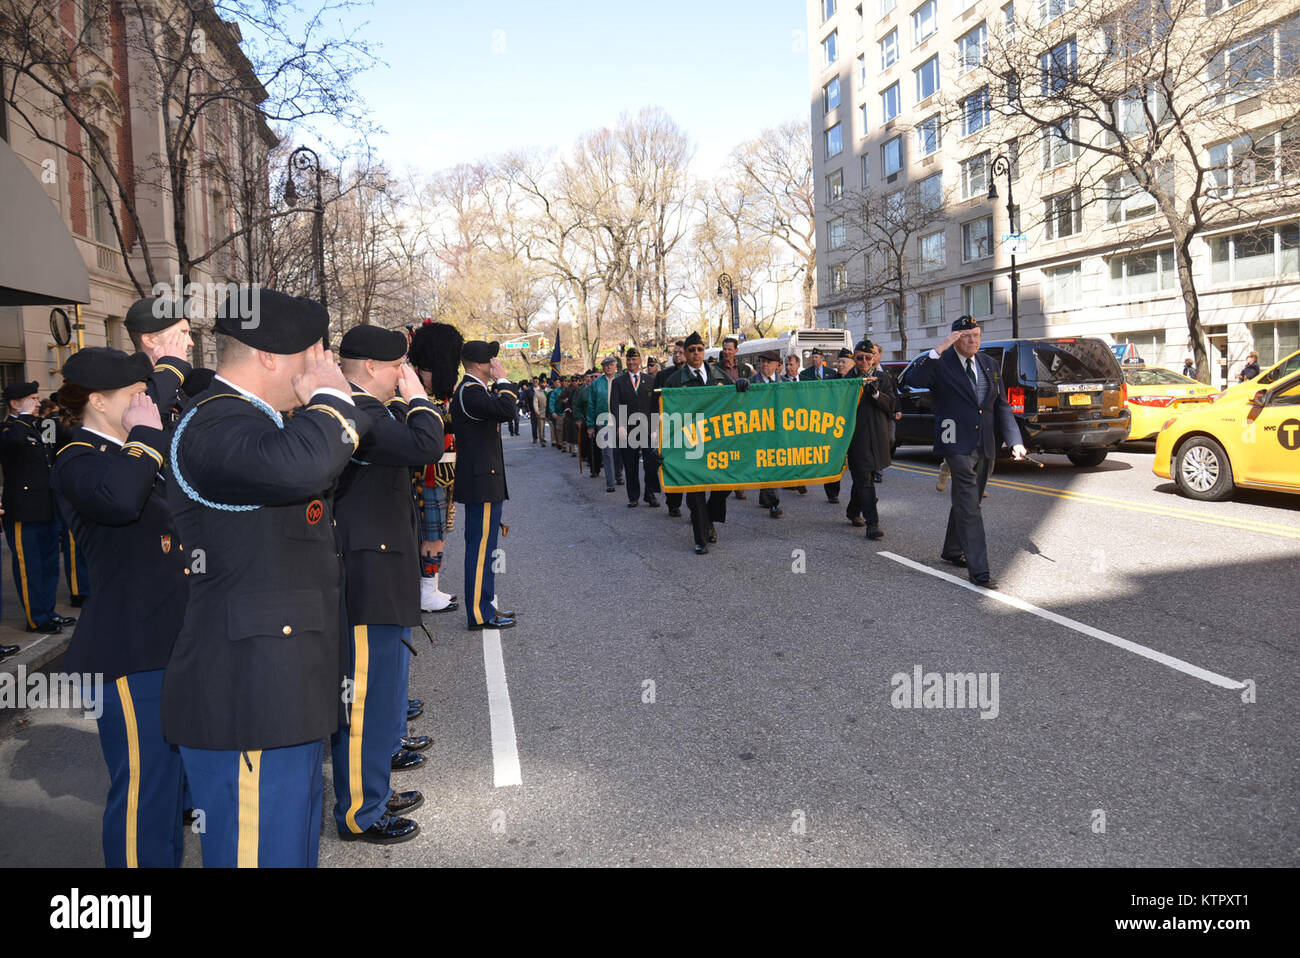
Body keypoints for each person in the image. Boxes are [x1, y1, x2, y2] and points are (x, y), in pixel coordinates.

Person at [162, 289, 372, 867]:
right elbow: (302, 465)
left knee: (289, 853)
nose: (322, 366)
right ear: (268, 356)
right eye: (314, 353)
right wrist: (331, 399)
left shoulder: (261, 423)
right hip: (247, 699)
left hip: (281, 695)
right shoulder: (212, 424)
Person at [49, 347, 189, 867]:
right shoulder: (77, 458)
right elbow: (118, 502)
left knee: (167, 786)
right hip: (127, 649)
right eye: (134, 395)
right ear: (97, 401)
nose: (145, 402)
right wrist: (146, 438)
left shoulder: (135, 449)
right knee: (143, 791)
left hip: (167, 637)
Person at [330, 324, 444, 845]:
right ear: (374, 368)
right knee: (363, 703)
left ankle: (371, 789)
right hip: (368, 573)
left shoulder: (369, 411)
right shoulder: (357, 411)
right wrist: (418, 398)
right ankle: (359, 810)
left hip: (385, 567)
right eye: (398, 365)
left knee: (380, 699)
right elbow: (425, 444)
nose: (405, 375)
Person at [909, 316, 1027, 589]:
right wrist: (938, 349)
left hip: (985, 442)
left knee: (970, 500)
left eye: (976, 335)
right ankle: (980, 570)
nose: (972, 340)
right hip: (955, 441)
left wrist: (1014, 440)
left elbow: (1001, 405)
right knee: (969, 504)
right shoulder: (941, 363)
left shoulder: (989, 364)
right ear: (954, 339)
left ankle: (952, 548)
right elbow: (913, 379)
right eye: (966, 336)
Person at [451, 341, 519, 630]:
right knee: (480, 550)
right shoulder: (470, 391)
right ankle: (480, 614)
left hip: (485, 480)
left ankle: (486, 606)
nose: (495, 362)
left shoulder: (473, 390)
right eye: (491, 359)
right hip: (481, 481)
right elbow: (507, 410)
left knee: (487, 549)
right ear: (480, 364)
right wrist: (504, 379)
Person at [1, 381, 76, 633]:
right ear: (14, 403)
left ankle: (49, 611)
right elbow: (13, 443)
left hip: (47, 507)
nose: (37, 403)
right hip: (24, 511)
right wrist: (23, 416)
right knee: (30, 568)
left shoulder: (41, 427)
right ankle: (36, 619)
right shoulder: (9, 429)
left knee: (49, 565)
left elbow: (59, 444)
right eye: (32, 399)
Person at [408, 320, 461, 616]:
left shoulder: (442, 391)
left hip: (446, 472)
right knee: (431, 534)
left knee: (441, 530)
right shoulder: (412, 389)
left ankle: (432, 585)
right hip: (425, 473)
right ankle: (425, 591)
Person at [664, 332, 732, 554]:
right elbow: (666, 414)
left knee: (725, 486)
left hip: (718, 441)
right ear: (684, 353)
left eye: (699, 349)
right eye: (691, 350)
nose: (695, 353)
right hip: (689, 443)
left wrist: (741, 385)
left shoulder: (719, 375)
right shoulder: (675, 381)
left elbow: (736, 400)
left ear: (704, 352)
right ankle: (701, 538)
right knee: (695, 493)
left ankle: (710, 519)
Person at [842, 340, 897, 539]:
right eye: (859, 358)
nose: (864, 361)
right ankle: (872, 523)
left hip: (878, 437)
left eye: (868, 357)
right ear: (854, 359)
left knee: (862, 478)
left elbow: (891, 404)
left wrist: (875, 393)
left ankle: (852, 511)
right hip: (856, 439)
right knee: (865, 480)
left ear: (874, 359)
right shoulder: (847, 380)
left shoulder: (882, 378)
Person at [610, 347, 660, 508]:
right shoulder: (619, 381)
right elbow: (614, 404)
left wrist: (655, 429)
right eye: (629, 360)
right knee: (630, 465)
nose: (632, 363)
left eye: (634, 359)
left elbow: (655, 406)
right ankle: (633, 496)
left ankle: (649, 494)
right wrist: (619, 426)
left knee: (651, 464)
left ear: (640, 361)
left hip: (647, 428)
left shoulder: (651, 380)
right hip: (628, 429)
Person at [749, 350, 784, 519]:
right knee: (765, 462)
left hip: (777, 430)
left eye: (769, 362)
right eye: (762, 362)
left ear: (777, 365)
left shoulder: (784, 383)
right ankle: (771, 500)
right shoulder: (750, 383)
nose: (764, 365)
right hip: (758, 429)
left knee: (771, 464)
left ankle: (769, 499)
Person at [654, 341, 686, 517]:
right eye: (675, 352)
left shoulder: (692, 376)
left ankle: (695, 506)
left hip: (689, 426)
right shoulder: (663, 375)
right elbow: (655, 402)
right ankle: (673, 502)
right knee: (671, 464)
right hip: (668, 427)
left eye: (680, 352)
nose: (677, 355)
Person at [821, 348, 857, 506]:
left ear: (852, 363)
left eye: (843, 362)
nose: (840, 364)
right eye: (839, 361)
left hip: (852, 427)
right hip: (832, 427)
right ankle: (832, 492)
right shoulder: (830, 380)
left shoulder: (856, 381)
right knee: (833, 460)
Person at [586, 356, 623, 492]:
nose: (608, 367)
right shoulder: (597, 383)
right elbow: (591, 404)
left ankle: (619, 475)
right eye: (606, 365)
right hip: (603, 421)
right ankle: (610, 482)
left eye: (611, 365)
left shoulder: (621, 380)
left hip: (620, 420)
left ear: (615, 366)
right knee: (607, 453)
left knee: (619, 451)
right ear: (603, 368)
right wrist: (590, 425)